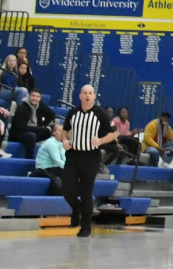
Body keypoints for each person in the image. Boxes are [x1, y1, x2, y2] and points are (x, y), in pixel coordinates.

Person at [63, 84, 116, 237]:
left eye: (90, 93)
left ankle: (85, 227)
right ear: (80, 96)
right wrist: (64, 141)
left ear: (94, 96)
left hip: (91, 157)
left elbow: (114, 135)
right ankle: (76, 207)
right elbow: (65, 131)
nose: (87, 95)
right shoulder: (73, 112)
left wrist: (100, 141)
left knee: (86, 193)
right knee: (67, 189)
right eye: (84, 93)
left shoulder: (100, 114)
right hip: (73, 155)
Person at [31, 120, 67, 195]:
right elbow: (57, 160)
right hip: (44, 169)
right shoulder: (51, 143)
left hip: (54, 168)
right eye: (59, 131)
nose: (62, 133)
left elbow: (64, 159)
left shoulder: (61, 144)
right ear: (54, 132)